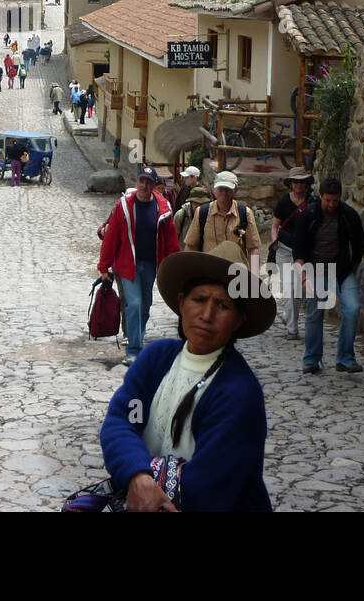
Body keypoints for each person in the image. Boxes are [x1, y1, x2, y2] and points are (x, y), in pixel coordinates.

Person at [99, 241, 274, 511]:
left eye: (223, 306)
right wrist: (138, 476)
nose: (207, 315)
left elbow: (207, 485)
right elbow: (125, 419)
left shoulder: (238, 393)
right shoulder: (156, 360)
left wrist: (149, 494)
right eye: (199, 300)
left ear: (240, 320)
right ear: (182, 302)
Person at [97, 166, 182, 366]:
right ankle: (133, 350)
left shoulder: (163, 209)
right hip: (127, 264)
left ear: (154, 185)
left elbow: (171, 241)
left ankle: (138, 340)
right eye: (141, 181)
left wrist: (175, 266)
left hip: (151, 265)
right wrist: (104, 267)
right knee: (133, 304)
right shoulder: (124, 206)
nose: (144, 185)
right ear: (137, 182)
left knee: (145, 306)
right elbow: (112, 237)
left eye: (148, 182)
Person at [288, 177, 364, 375]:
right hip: (315, 269)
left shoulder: (349, 215)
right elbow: (298, 251)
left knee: (353, 308)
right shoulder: (308, 215)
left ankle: (345, 358)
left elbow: (358, 244)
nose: (331, 204)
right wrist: (305, 278)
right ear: (320, 196)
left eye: (335, 200)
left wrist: (352, 268)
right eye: (327, 200)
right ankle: (312, 360)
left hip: (342, 270)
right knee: (315, 313)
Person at [269, 167, 315, 340]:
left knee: (298, 290)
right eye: (296, 182)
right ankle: (292, 329)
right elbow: (275, 226)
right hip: (286, 249)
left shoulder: (312, 203)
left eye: (302, 182)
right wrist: (275, 242)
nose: (299, 185)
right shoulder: (283, 203)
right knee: (290, 287)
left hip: (304, 252)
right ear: (291, 184)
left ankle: (288, 317)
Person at [183, 170, 260, 268]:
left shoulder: (245, 213)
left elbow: (253, 248)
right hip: (208, 272)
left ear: (235, 191)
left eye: (228, 189)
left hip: (237, 273)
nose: (224, 193)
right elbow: (191, 245)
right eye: (220, 188)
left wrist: (254, 277)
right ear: (214, 190)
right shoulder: (202, 212)